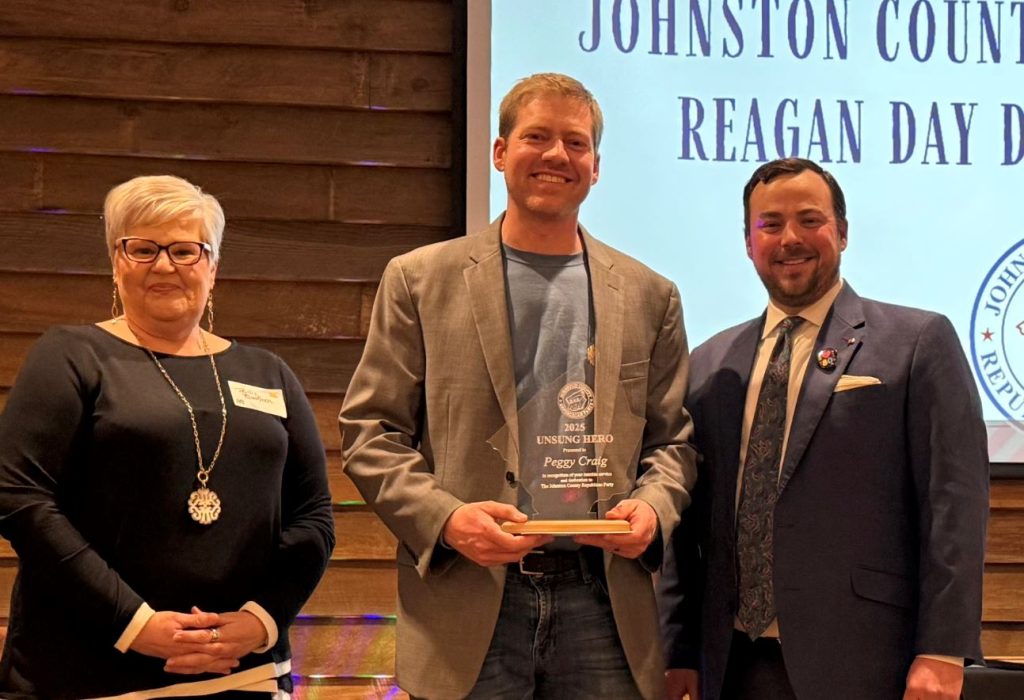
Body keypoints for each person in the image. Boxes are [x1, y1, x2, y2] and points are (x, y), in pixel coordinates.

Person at [340, 73, 697, 699]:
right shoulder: (419, 280)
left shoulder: (651, 294)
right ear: (501, 152)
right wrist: (448, 520)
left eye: (576, 143)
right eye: (537, 136)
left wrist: (653, 509)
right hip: (466, 597)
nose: (557, 155)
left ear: (596, 166)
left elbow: (673, 444)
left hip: (605, 601)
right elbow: (371, 434)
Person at [658, 158, 989, 700]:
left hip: (867, 659)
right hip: (731, 663)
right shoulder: (709, 363)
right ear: (747, 242)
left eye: (810, 220)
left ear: (842, 231)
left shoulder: (919, 342)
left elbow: (955, 504)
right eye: (770, 224)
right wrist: (679, 650)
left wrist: (943, 649)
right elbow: (689, 532)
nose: (790, 238)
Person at [0, 175, 336, 699]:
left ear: (214, 267)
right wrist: (135, 624)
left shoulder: (268, 373)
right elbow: (20, 498)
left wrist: (261, 619)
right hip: (88, 672)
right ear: (116, 261)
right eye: (142, 249)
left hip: (244, 672)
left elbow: (313, 515)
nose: (164, 265)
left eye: (185, 250)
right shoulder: (71, 355)